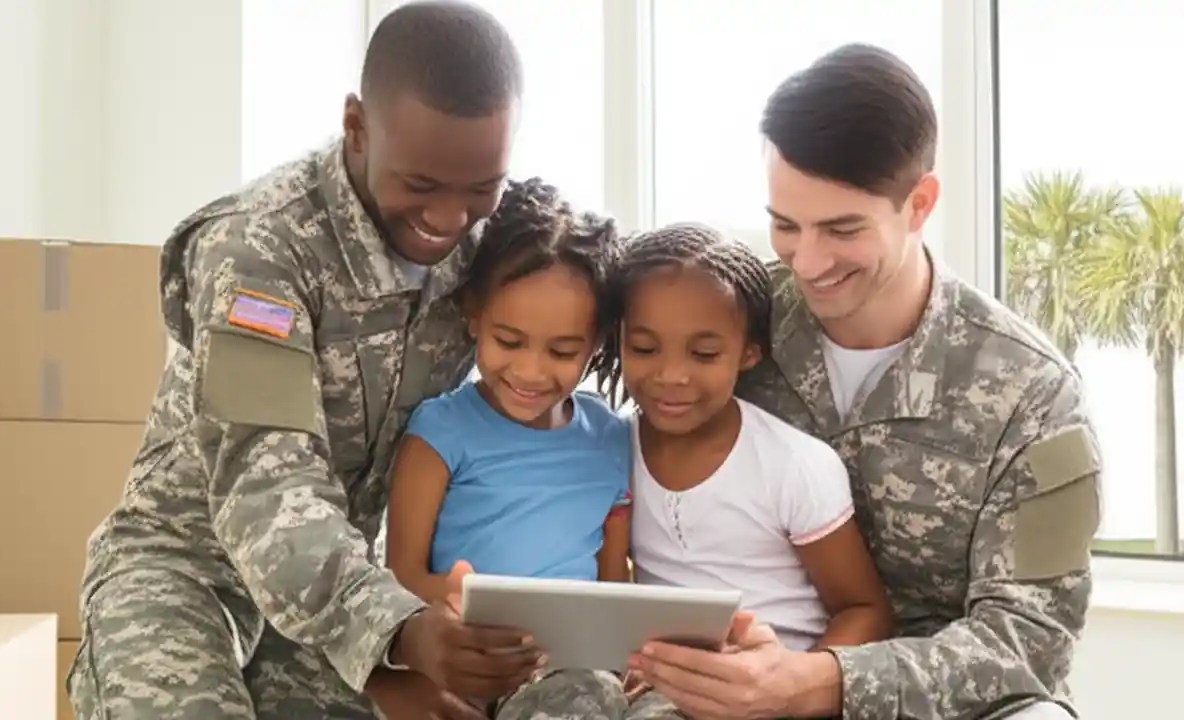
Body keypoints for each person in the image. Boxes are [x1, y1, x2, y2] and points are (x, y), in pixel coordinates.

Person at [67, 3, 566, 718]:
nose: (452, 218)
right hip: (183, 569)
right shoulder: (260, 248)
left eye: (480, 189)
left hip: (330, 603)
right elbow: (267, 486)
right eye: (421, 185)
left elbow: (609, 290)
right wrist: (397, 629)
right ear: (357, 126)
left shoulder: (496, 239)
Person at [627, 44, 1101, 720]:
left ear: (919, 203)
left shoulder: (1034, 393)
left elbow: (1028, 642)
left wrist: (815, 684)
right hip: (737, 688)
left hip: (950, 706)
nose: (809, 261)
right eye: (785, 225)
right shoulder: (729, 323)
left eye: (842, 228)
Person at [590, 223, 892, 719]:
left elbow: (866, 611)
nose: (671, 375)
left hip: (775, 692)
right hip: (663, 697)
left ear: (749, 352)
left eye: (704, 354)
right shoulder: (609, 450)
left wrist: (790, 687)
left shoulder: (793, 465)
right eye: (645, 348)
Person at [385, 177, 632, 718]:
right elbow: (401, 574)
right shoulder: (441, 431)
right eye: (509, 341)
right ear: (474, 316)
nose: (529, 371)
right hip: (465, 656)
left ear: (595, 346)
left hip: (572, 674)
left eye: (562, 351)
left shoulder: (613, 440)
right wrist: (452, 599)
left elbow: (615, 590)